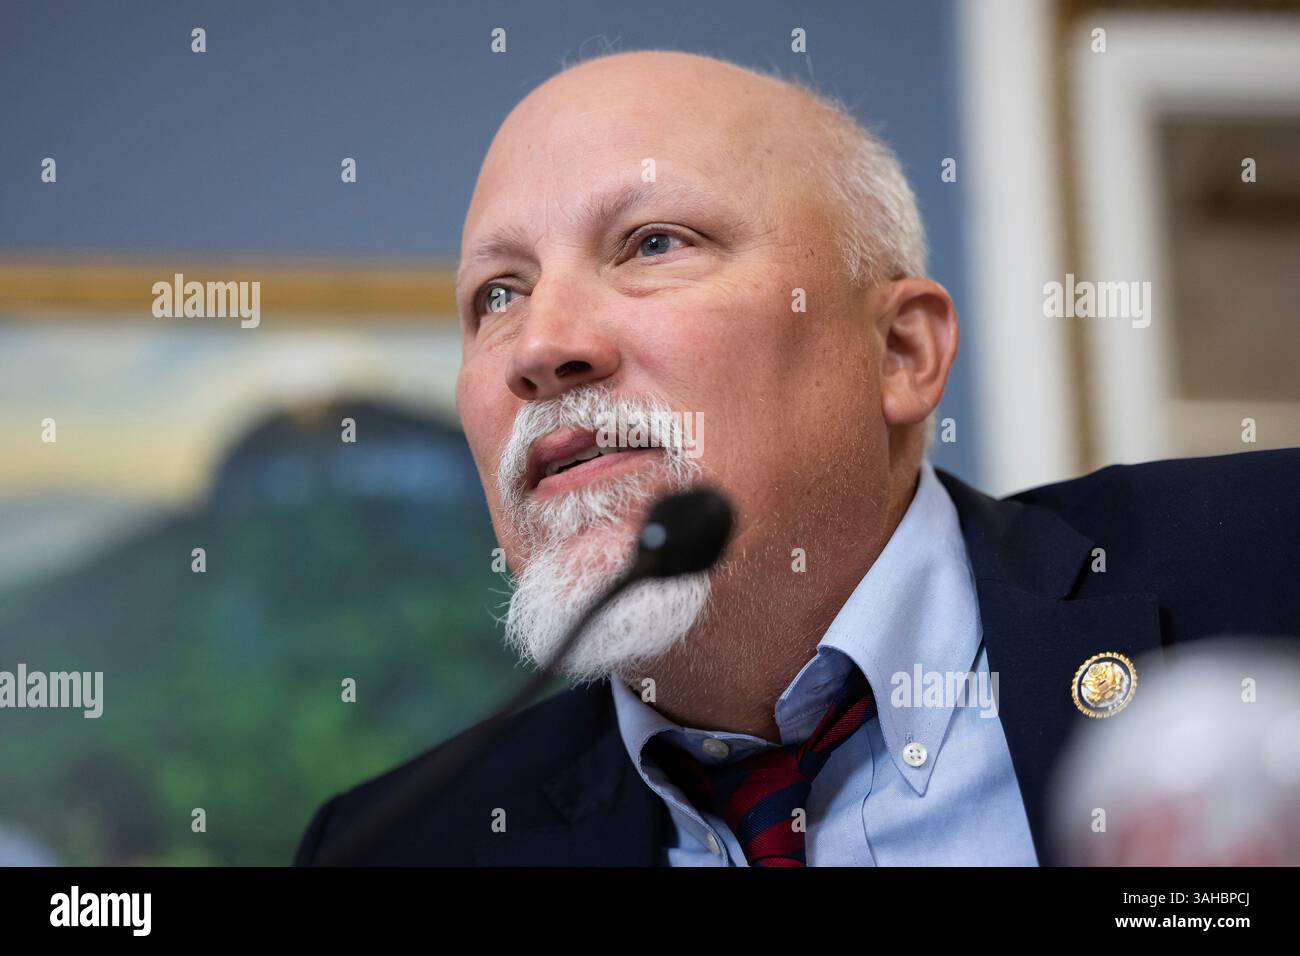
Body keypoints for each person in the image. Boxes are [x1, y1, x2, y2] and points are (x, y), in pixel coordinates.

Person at [294, 50, 1299, 866]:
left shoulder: (1266, 566)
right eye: (496, 295)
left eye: (653, 243)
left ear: (899, 352)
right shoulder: (398, 846)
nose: (541, 345)